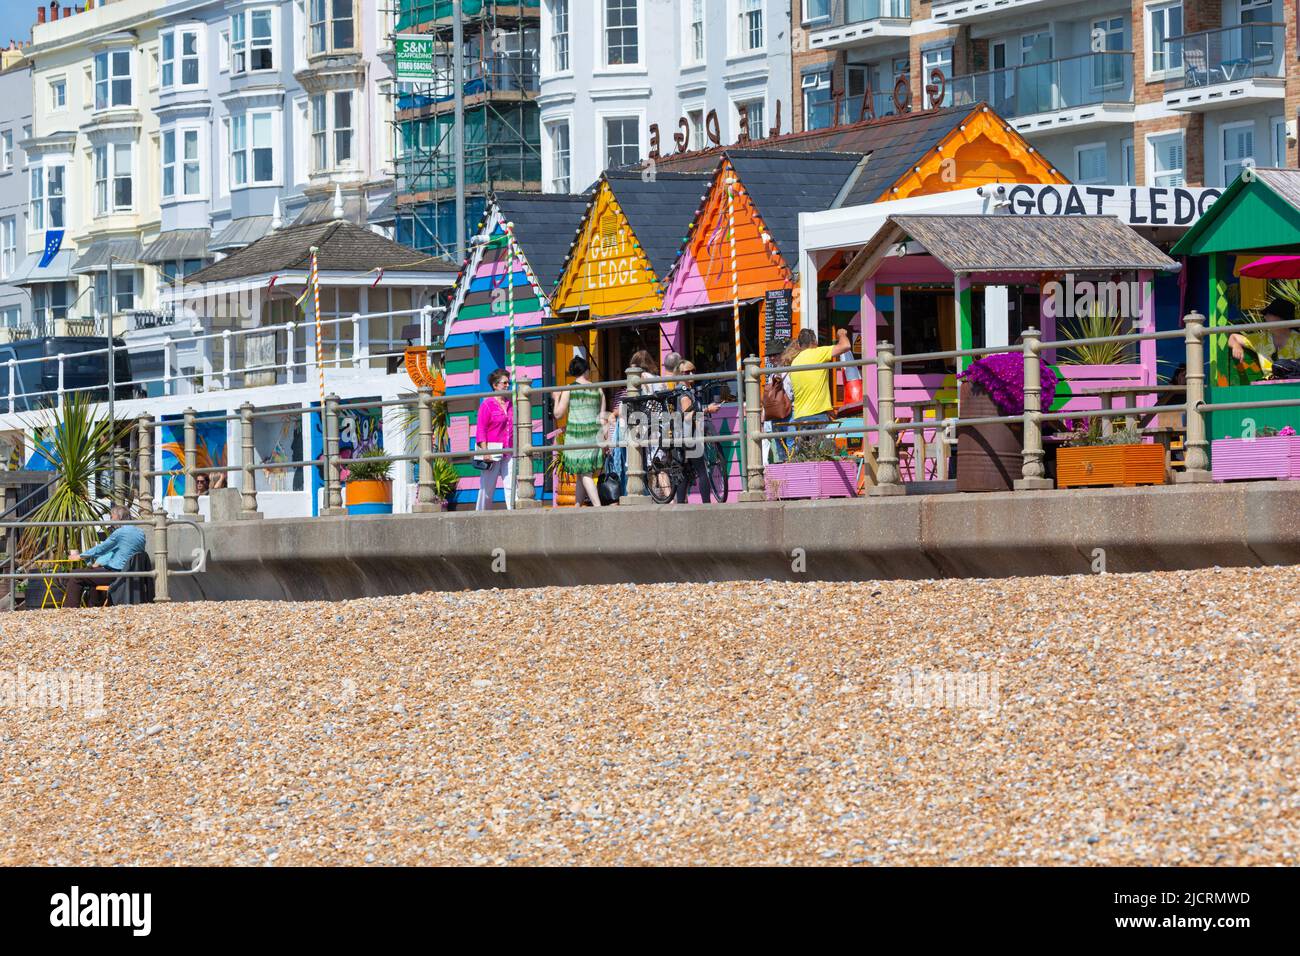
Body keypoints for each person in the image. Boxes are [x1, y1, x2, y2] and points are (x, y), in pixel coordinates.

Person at [66, 505, 148, 608]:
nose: (110, 520)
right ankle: (94, 607)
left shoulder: (120, 533)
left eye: (111, 516)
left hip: (117, 574)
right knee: (92, 574)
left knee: (75, 575)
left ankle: (69, 609)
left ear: (119, 517)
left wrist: (81, 556)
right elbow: (122, 554)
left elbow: (102, 548)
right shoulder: (140, 532)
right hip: (130, 573)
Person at [552, 355, 608, 507]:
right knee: (582, 473)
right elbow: (602, 418)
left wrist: (556, 398)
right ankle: (577, 506)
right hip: (594, 435)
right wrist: (606, 439)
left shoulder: (569, 389)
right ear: (586, 370)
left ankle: (598, 507)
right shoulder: (598, 390)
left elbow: (558, 414)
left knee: (584, 473)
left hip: (576, 436)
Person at [787, 327, 854, 443]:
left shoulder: (795, 362)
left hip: (800, 417)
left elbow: (810, 389)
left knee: (806, 456)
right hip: (817, 417)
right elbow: (846, 346)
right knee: (823, 455)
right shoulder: (818, 353)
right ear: (815, 342)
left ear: (799, 345)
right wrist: (841, 334)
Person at [673, 360, 722, 504]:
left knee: (683, 471)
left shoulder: (685, 389)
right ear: (679, 374)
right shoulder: (684, 393)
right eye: (686, 372)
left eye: (693, 370)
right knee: (702, 470)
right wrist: (707, 410)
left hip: (679, 434)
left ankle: (681, 505)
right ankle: (706, 504)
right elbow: (687, 416)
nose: (691, 374)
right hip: (688, 434)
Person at [474, 368, 514, 511]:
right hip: (493, 450)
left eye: (508, 383)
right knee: (487, 487)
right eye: (504, 383)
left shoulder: (510, 404)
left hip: (509, 450)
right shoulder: (487, 405)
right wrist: (485, 451)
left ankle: (513, 513)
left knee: (511, 486)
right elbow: (481, 429)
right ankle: (481, 515)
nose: (507, 385)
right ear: (495, 386)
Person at [1227, 298, 1300, 376]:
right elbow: (1233, 337)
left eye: (1269, 314)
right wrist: (1236, 346)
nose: (1265, 318)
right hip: (1267, 386)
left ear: (1281, 317)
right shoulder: (1262, 339)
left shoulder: (1297, 340)